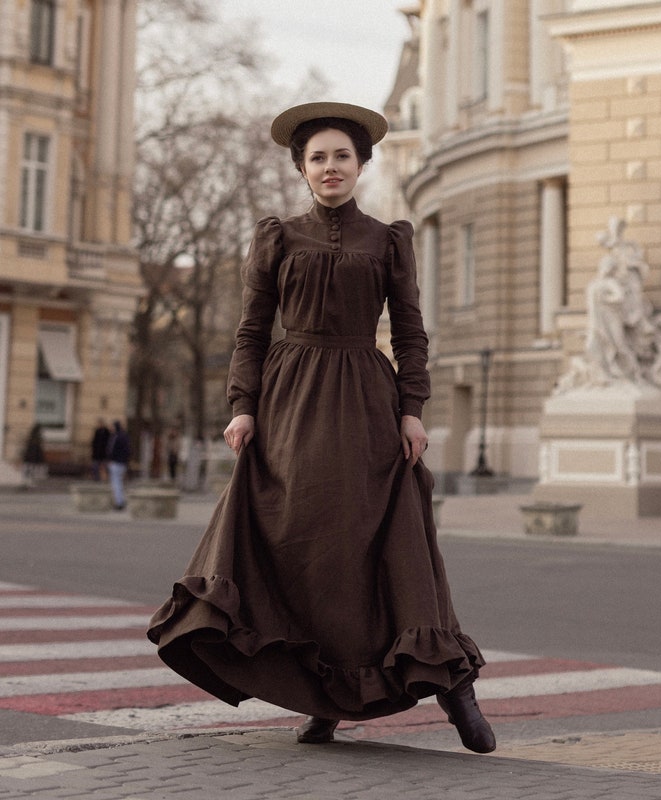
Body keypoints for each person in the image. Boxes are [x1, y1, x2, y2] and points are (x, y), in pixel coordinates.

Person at [147, 101, 496, 754]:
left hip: (367, 403)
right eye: (318, 158)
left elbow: (412, 332)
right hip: (290, 410)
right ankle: (323, 700)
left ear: (361, 164)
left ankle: (457, 689)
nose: (330, 167)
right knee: (302, 554)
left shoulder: (389, 238)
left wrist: (412, 408)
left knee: (399, 549)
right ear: (301, 169)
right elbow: (253, 330)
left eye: (342, 156)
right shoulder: (277, 236)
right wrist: (242, 404)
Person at [107, 420, 131, 510]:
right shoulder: (125, 436)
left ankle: (119, 502)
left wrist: (111, 459)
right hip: (122, 463)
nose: (110, 428)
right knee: (120, 483)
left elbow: (111, 450)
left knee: (116, 483)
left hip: (116, 462)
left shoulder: (116, 437)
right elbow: (128, 451)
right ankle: (120, 500)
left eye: (112, 426)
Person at [21, 423, 46, 488]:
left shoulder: (31, 437)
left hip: (29, 457)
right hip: (32, 457)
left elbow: (27, 448)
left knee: (28, 470)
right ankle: (28, 483)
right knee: (30, 470)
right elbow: (37, 449)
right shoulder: (37, 438)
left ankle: (26, 482)